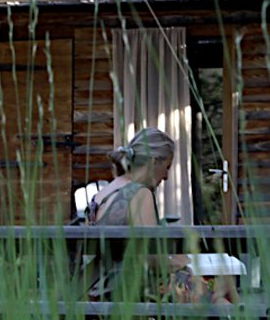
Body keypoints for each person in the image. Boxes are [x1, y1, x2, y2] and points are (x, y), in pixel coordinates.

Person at [86, 128, 219, 303]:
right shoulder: (139, 194)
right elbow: (149, 259)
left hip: (99, 286)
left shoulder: (104, 193)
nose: (166, 177)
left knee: (216, 286)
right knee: (218, 290)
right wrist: (178, 262)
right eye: (167, 168)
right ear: (154, 162)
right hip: (129, 289)